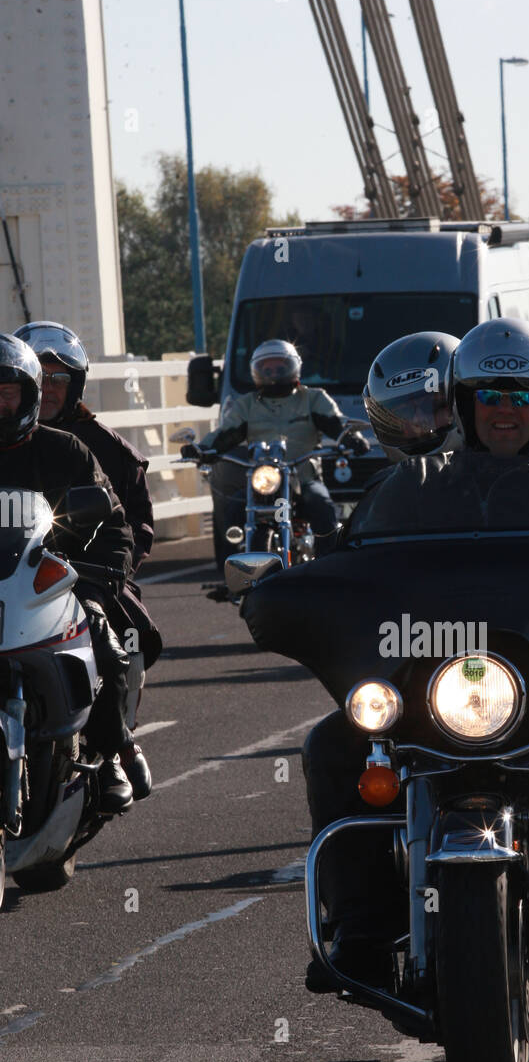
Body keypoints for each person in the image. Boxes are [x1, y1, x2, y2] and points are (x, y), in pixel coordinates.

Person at [246, 319, 529, 991]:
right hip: (445, 680)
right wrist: (290, 587)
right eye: (490, 396)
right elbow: (350, 561)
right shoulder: (423, 483)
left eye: (520, 397)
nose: (504, 410)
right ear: (464, 402)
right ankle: (364, 929)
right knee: (334, 746)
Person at [15, 320, 160, 799]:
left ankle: (112, 750)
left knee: (115, 641)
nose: (49, 389)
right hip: (8, 579)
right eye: (40, 378)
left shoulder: (93, 448)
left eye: (59, 379)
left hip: (75, 578)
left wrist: (109, 574)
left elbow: (130, 522)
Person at [183, 339, 369, 547]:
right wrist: (200, 449)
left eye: (280, 366)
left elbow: (336, 423)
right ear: (256, 371)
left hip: (304, 477)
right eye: (267, 368)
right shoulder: (246, 404)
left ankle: (330, 565)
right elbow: (225, 434)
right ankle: (235, 568)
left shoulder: (313, 398)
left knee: (321, 504)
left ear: (293, 367)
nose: (273, 372)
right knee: (234, 509)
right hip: (262, 480)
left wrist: (352, 439)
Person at [362, 331, 459, 459]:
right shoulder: (393, 479)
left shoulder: (491, 472)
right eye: (404, 413)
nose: (419, 421)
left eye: (435, 407)